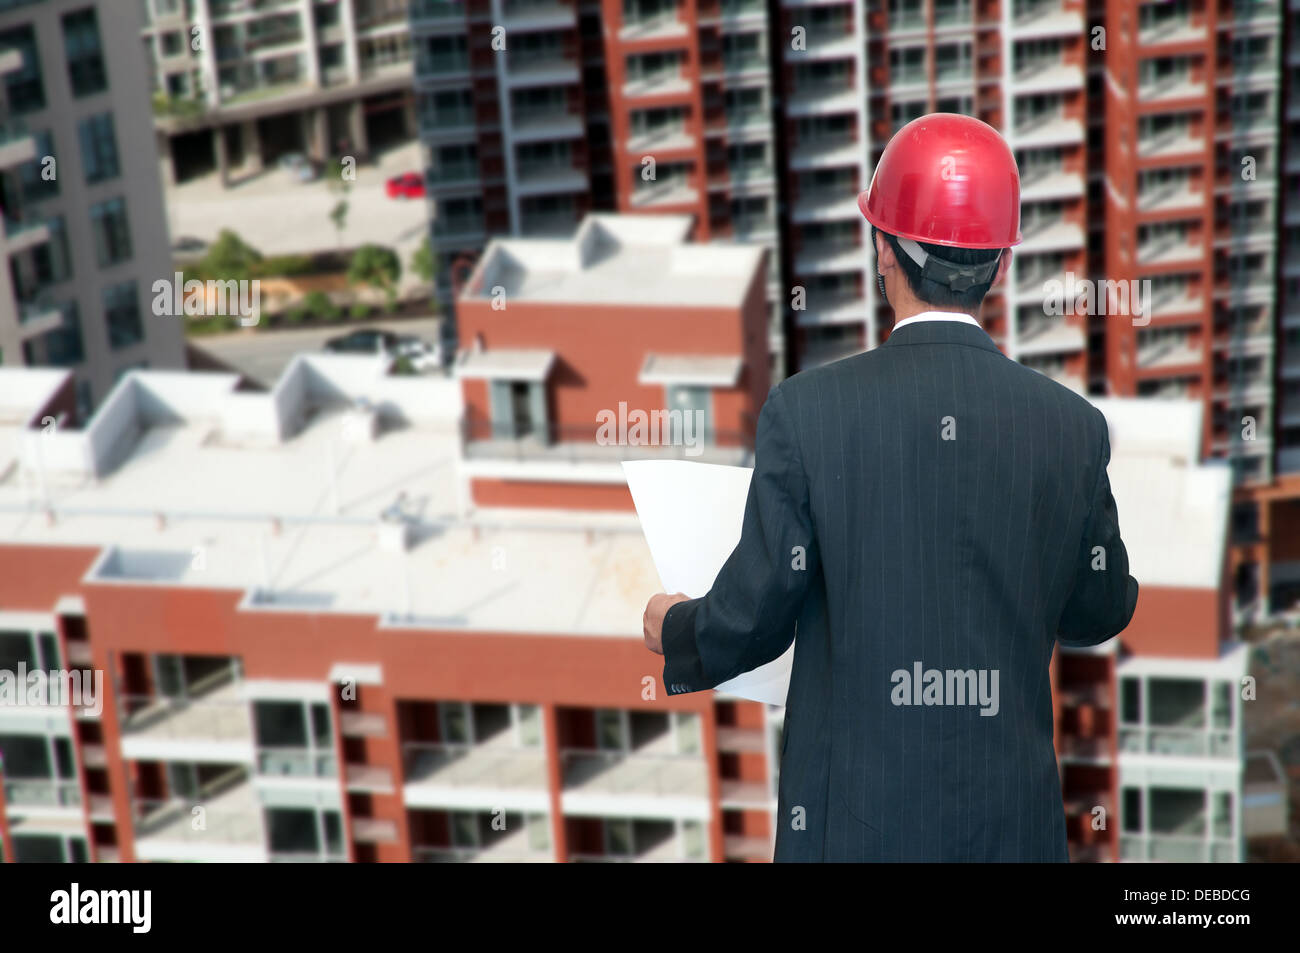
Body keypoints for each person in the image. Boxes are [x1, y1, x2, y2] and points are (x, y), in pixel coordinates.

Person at [641, 113, 1138, 862]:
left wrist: (676, 626)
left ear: (883, 248)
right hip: (1012, 834)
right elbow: (1100, 609)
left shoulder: (809, 413)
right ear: (999, 265)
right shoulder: (1071, 429)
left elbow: (757, 616)